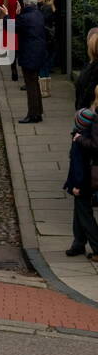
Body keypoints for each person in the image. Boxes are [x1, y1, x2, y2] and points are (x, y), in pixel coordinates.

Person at [63, 102, 98, 260]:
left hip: (83, 183)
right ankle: (78, 243)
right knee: (79, 212)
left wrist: (77, 186)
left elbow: (78, 167)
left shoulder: (79, 142)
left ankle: (97, 246)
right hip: (86, 180)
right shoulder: (88, 137)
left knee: (85, 214)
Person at [14, 0, 46, 124]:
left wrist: (6, 16)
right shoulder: (38, 14)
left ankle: (32, 114)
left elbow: (12, 28)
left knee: (31, 85)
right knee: (35, 83)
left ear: (25, 2)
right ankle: (38, 112)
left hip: (29, 54)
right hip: (39, 53)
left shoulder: (25, 17)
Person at [74, 29, 98, 111]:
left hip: (88, 113)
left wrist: (80, 110)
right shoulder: (89, 66)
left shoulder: (93, 68)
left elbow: (88, 92)